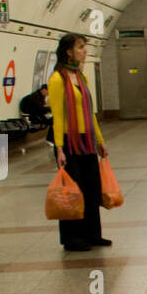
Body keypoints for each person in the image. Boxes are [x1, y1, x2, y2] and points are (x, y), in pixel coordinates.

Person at [48, 34, 111, 251]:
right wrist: (58, 149)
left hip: (87, 141)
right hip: (69, 141)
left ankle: (93, 233)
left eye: (84, 47)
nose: (84, 51)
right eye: (80, 47)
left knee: (92, 188)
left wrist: (100, 140)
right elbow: (57, 116)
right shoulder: (57, 79)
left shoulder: (81, 77)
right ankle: (72, 237)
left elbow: (90, 112)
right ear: (68, 51)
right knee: (73, 191)